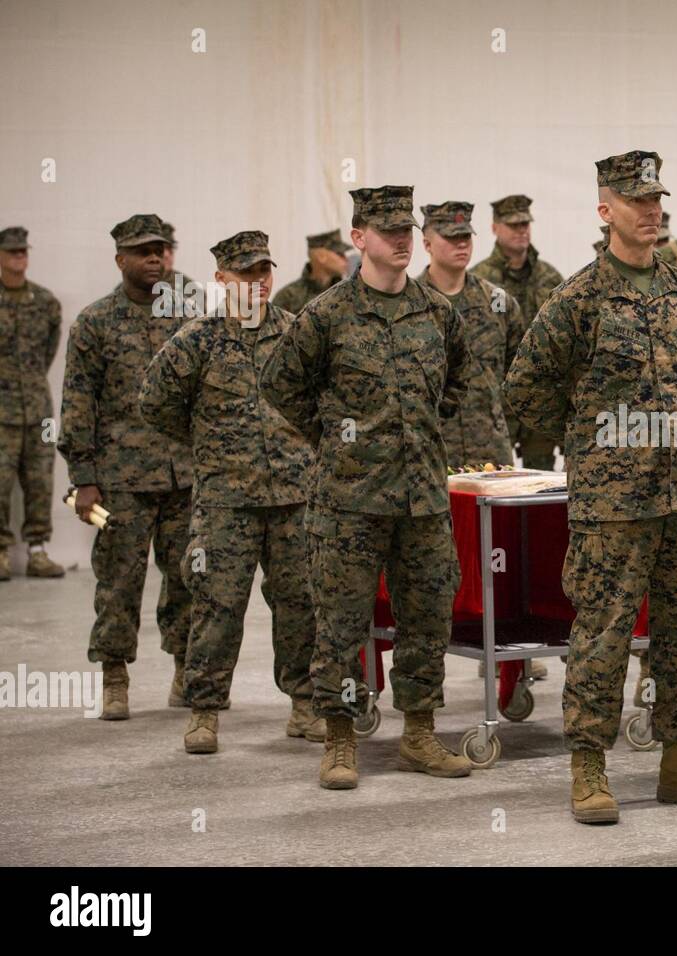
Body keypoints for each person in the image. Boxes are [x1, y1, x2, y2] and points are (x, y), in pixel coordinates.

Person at [506, 149, 677, 824]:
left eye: (656, 199)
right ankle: (589, 764)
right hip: (614, 503)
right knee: (605, 634)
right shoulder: (577, 300)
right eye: (636, 200)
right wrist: (590, 444)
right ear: (604, 209)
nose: (651, 210)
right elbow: (524, 388)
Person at [261, 185, 476, 789]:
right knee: (341, 622)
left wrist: (423, 431)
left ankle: (419, 733)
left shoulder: (438, 312)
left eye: (407, 230)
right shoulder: (326, 315)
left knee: (428, 615)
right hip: (349, 502)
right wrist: (335, 439)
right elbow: (282, 387)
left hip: (424, 499)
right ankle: (339, 737)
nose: (403, 240)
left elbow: (457, 380)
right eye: (388, 232)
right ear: (360, 240)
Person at [139, 230, 319, 752]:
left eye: (263, 271)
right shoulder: (197, 340)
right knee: (217, 606)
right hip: (226, 502)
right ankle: (204, 711)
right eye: (245, 273)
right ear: (221, 279)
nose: (257, 282)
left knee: (301, 604)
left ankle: (305, 703)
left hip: (293, 497)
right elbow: (155, 403)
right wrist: (207, 445)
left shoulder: (295, 333)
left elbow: (320, 401)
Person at [59, 214, 194, 720]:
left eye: (162, 249)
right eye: (144, 251)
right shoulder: (96, 322)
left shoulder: (190, 317)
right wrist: (84, 479)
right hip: (122, 480)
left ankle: (186, 669)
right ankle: (115, 675)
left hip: (186, 475)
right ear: (121, 260)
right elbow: (77, 403)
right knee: (118, 582)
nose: (156, 259)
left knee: (188, 577)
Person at [415, 201, 525, 469]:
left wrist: (500, 422)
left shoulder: (498, 303)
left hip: (491, 451)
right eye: (451, 238)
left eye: (465, 236)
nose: (461, 244)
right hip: (431, 453)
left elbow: (519, 377)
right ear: (427, 244)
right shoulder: (412, 305)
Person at [469, 194, 565, 470]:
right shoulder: (481, 280)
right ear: (494, 228)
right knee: (492, 474)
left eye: (525, 224)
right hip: (497, 398)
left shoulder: (549, 277)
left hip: (540, 395)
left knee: (541, 476)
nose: (521, 231)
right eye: (513, 225)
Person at [0, 225, 64, 580]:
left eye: (23, 251)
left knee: (41, 480)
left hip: (39, 410)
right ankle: (1, 551)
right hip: (1, 411)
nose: (19, 257)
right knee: (0, 482)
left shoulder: (44, 301)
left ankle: (38, 550)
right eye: (12, 252)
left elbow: (49, 349)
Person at [271, 230, 351, 315]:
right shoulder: (289, 297)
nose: (345, 259)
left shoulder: (349, 292)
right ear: (321, 256)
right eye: (340, 254)